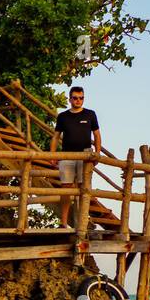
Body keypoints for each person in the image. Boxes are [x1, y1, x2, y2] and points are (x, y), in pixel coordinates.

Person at [50, 85, 101, 226]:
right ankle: (64, 222)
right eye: (75, 98)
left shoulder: (90, 114)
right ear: (70, 99)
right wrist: (52, 155)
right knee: (65, 189)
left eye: (81, 98)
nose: (78, 100)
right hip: (67, 155)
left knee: (83, 188)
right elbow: (55, 137)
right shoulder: (63, 116)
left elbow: (97, 134)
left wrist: (97, 153)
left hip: (85, 156)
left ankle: (82, 221)